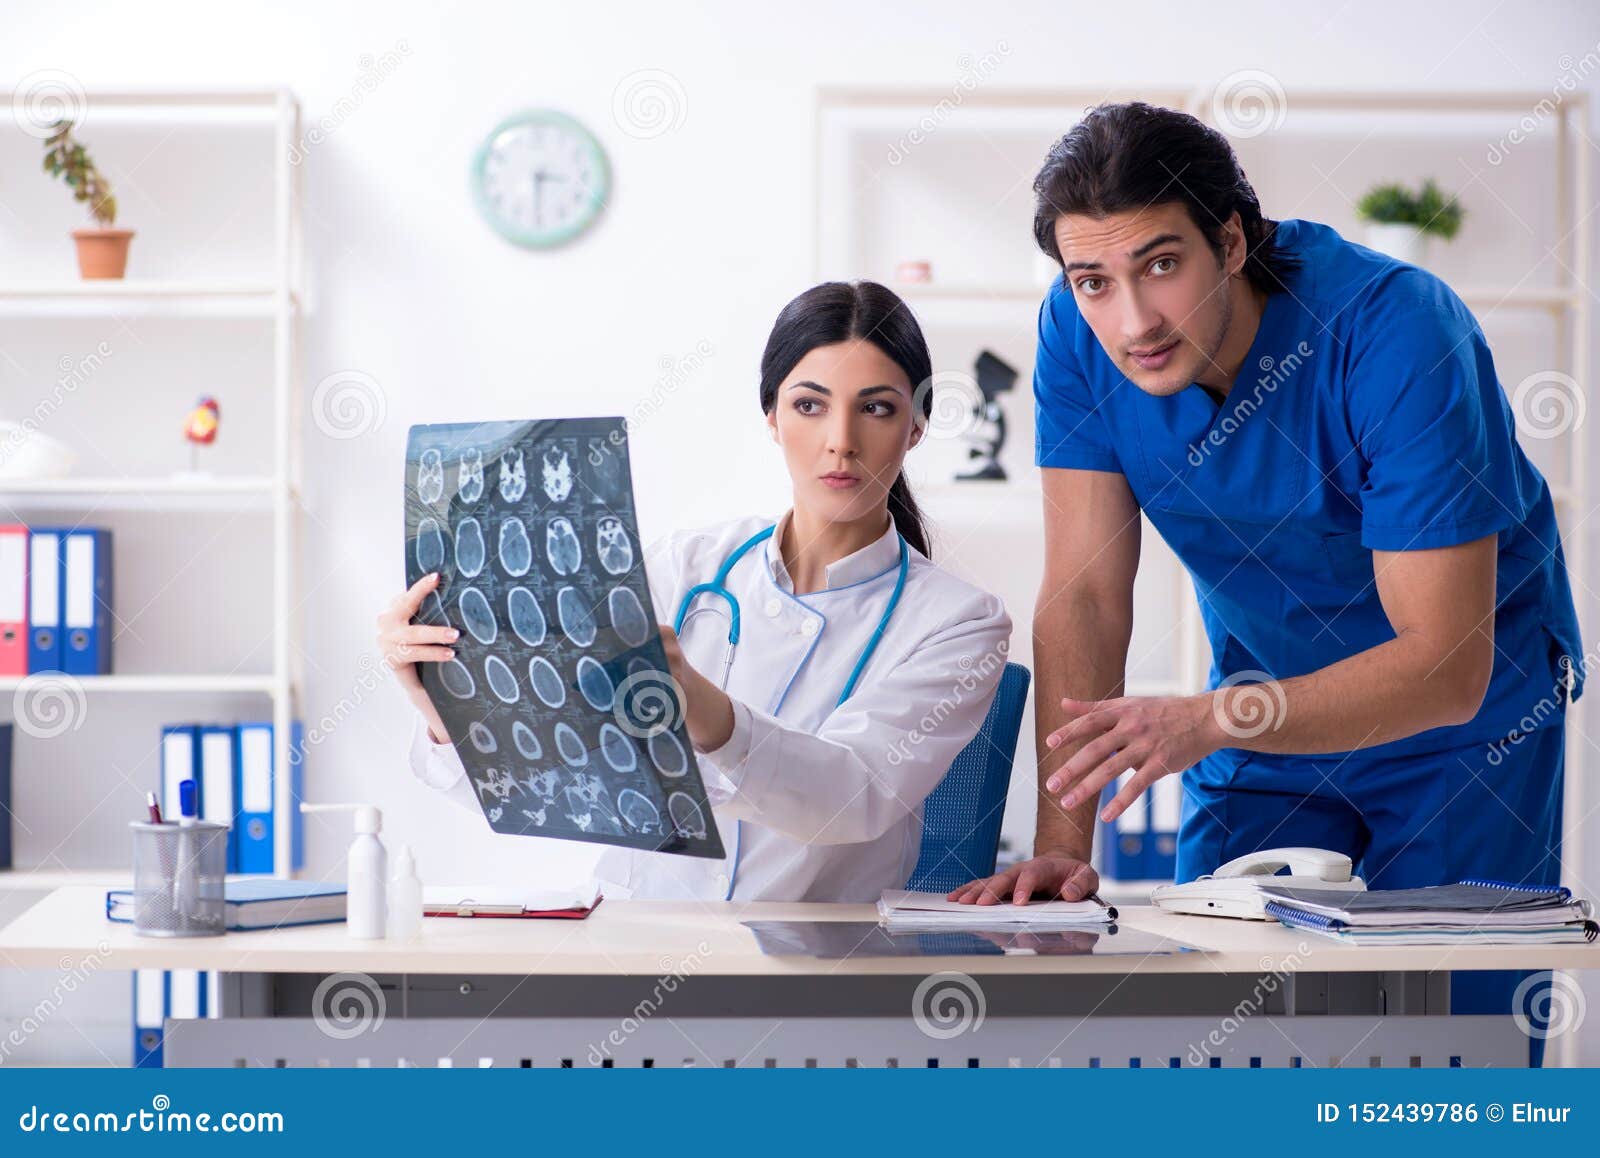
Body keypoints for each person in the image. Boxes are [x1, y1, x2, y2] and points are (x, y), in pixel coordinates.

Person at [948, 102, 1581, 1049]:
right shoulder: (1076, 335)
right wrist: (1060, 854)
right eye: (1093, 280)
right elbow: (1083, 592)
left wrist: (1204, 722)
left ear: (1232, 240)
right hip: (1261, 711)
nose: (1133, 320)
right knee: (1228, 1023)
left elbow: (1446, 667)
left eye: (1162, 264)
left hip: (1465, 730)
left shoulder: (1399, 331)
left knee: (1454, 1044)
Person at [379, 281, 1012, 903]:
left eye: (876, 408)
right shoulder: (683, 566)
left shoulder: (960, 623)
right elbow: (553, 780)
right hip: (632, 941)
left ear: (917, 426)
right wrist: (445, 705)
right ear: (771, 418)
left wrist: (699, 704)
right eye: (809, 405)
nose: (840, 440)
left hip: (810, 967)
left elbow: (852, 795)